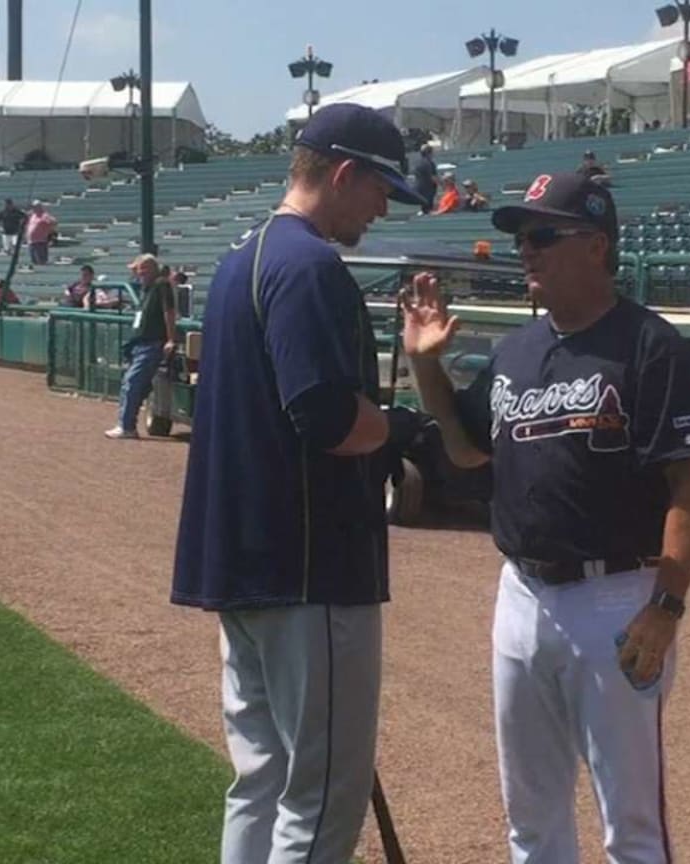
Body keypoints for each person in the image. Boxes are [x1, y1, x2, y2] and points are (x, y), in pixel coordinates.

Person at [400, 172, 690, 863]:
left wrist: (665, 606)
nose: (525, 250)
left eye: (542, 235)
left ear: (597, 246)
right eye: (520, 237)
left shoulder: (651, 347)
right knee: (531, 818)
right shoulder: (519, 349)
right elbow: (465, 449)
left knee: (632, 827)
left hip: (617, 598)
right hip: (520, 594)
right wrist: (428, 369)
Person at [170, 102, 423, 864]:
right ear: (343, 174)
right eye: (380, 188)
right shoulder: (310, 264)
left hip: (243, 566)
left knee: (261, 779)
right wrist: (401, 428)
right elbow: (326, 416)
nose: (384, 206)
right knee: (321, 796)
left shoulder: (237, 258)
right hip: (310, 570)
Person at [103, 253, 176, 439]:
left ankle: (126, 426)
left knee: (132, 383)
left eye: (139, 269)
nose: (137, 273)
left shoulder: (161, 284)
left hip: (152, 343)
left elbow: (169, 311)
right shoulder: (148, 288)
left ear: (149, 268)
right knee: (134, 385)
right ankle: (126, 424)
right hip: (141, 343)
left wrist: (171, 339)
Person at [413, 143, 438, 213]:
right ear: (428, 153)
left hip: (419, 189)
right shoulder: (430, 163)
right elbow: (433, 177)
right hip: (428, 190)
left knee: (423, 208)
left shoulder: (417, 163)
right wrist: (442, 185)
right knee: (428, 209)